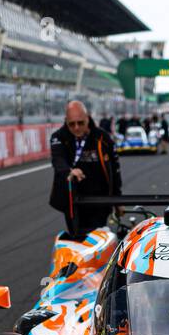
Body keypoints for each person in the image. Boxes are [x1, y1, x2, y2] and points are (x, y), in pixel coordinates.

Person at [48, 100, 121, 238]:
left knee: (97, 238)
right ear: (66, 121)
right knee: (77, 237)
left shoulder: (103, 138)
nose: (76, 128)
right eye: (71, 124)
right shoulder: (58, 137)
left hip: (100, 200)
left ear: (88, 118)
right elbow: (58, 160)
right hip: (72, 200)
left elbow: (115, 170)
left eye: (80, 123)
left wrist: (118, 201)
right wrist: (69, 171)